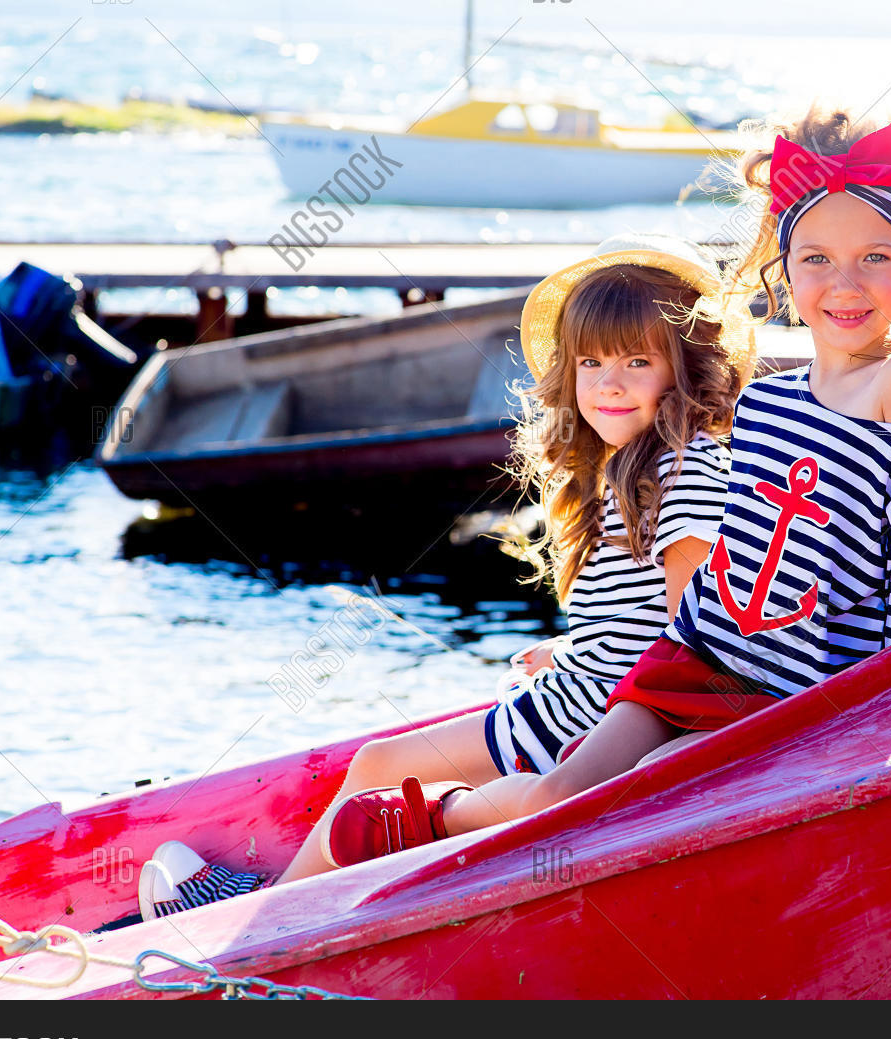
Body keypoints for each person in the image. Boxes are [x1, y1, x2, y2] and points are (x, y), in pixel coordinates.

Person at [386, 104, 891, 845]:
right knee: (561, 794)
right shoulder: (765, 402)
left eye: (876, 257)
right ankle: (422, 821)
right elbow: (726, 569)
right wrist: (580, 654)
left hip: (792, 694)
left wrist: (887, 726)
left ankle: (416, 826)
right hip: (699, 655)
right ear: (784, 268)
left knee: (639, 796)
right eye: (817, 258)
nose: (844, 284)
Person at [136, 233, 754, 917]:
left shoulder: (683, 467)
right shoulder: (635, 465)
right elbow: (637, 620)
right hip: (590, 690)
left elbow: (687, 633)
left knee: (376, 764)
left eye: (638, 360)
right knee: (402, 748)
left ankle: (267, 915)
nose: (609, 382)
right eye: (592, 361)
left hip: (597, 714)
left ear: (684, 369)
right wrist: (568, 649)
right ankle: (337, 877)